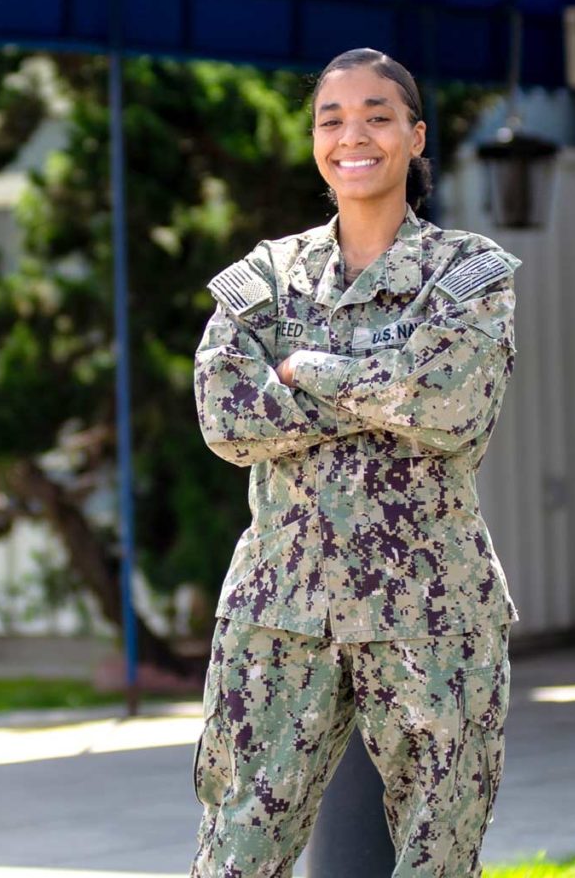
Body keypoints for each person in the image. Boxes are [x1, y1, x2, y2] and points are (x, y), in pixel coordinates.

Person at [191, 47, 521, 878]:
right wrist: (391, 382)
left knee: (437, 857)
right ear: (314, 142)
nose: (354, 135)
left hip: (432, 609)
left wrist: (306, 370)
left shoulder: (465, 273)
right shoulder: (267, 274)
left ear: (415, 137)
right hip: (279, 610)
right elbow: (226, 416)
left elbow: (456, 404)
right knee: (237, 853)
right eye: (332, 118)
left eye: (378, 115)